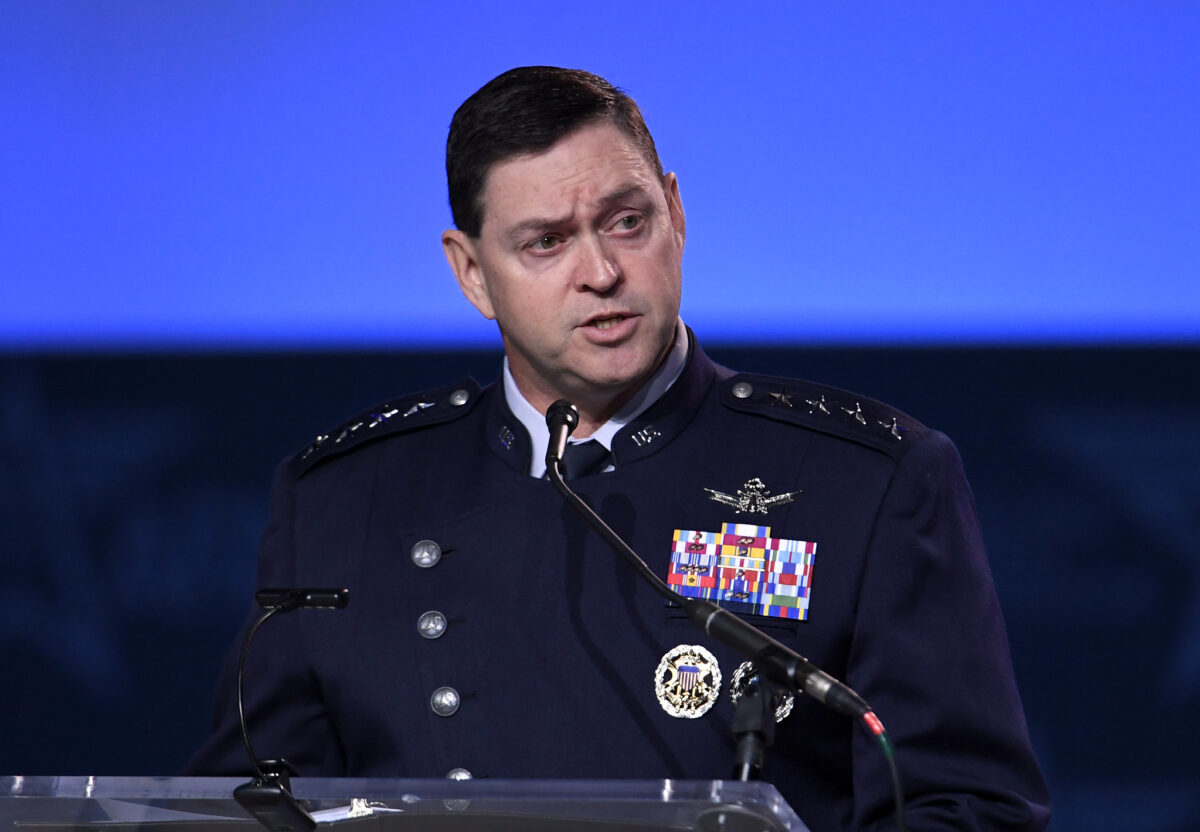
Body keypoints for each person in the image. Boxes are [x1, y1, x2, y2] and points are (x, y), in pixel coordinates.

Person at [188, 66, 1051, 831]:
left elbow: (968, 807)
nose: (601, 272)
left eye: (627, 221)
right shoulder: (345, 498)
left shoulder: (863, 480)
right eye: (547, 242)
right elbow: (248, 807)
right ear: (472, 273)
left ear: (676, 212)